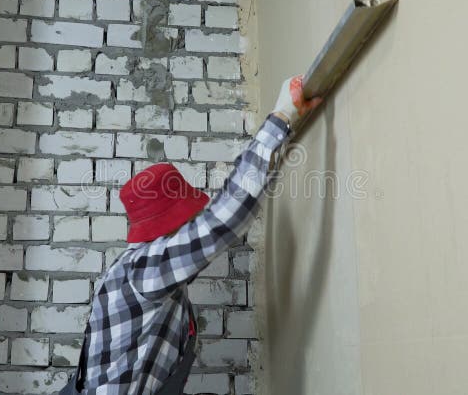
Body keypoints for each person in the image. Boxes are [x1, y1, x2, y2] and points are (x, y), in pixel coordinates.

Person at [60, 75, 323, 394]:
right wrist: (281, 117)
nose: (196, 219)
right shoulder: (145, 270)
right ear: (172, 224)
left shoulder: (147, 273)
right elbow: (221, 222)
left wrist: (283, 138)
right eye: (189, 216)